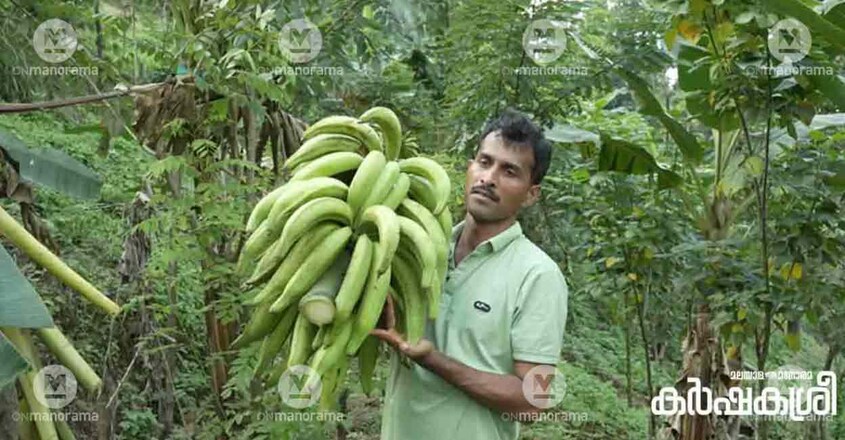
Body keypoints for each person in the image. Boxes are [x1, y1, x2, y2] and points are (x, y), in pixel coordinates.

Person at [372, 108, 569, 440]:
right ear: (470, 167)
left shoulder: (537, 275)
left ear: (531, 194)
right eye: (484, 162)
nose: (488, 178)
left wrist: (434, 360)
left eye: (509, 171)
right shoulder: (417, 250)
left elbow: (533, 402)